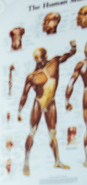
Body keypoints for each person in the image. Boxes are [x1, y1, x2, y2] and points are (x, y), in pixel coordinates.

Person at [18, 42, 78, 175]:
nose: (41, 61)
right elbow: (24, 94)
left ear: (46, 56)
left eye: (42, 57)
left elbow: (66, 56)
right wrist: (19, 111)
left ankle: (57, 161)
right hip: (38, 103)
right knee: (32, 131)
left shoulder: (54, 62)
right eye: (38, 59)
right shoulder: (32, 76)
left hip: (51, 102)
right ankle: (26, 162)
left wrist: (73, 49)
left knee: (53, 133)